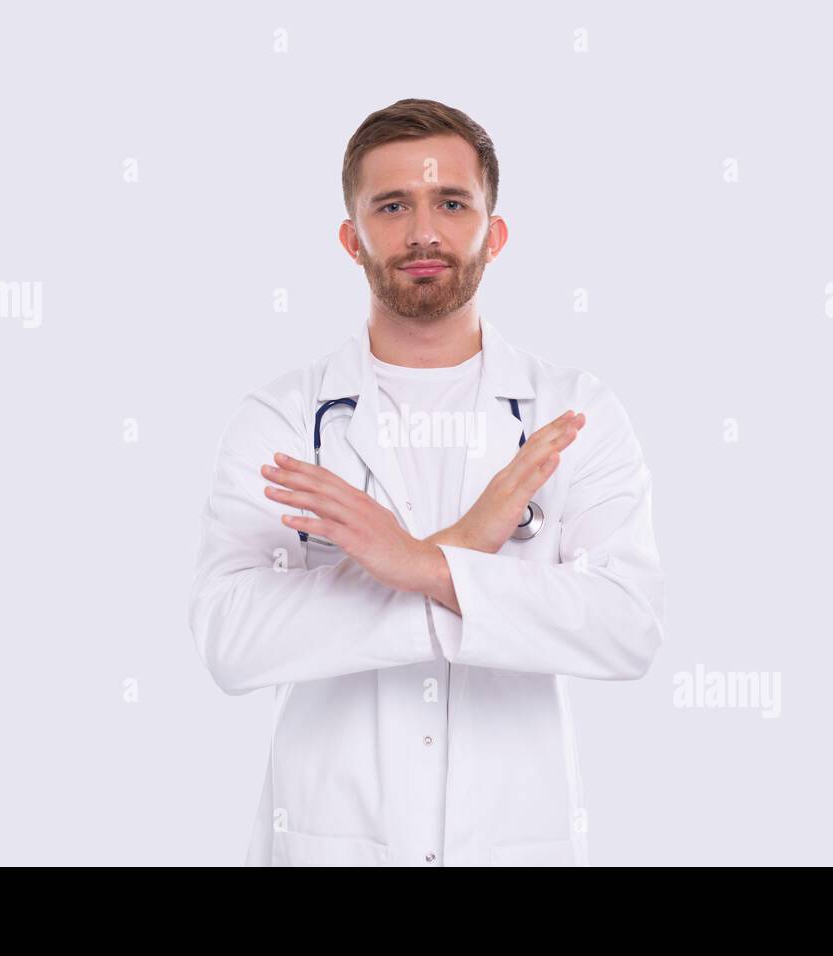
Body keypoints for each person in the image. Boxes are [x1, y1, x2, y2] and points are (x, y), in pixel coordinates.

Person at [187, 98, 665, 866]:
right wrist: (462, 558)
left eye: (451, 202)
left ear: (494, 232)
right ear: (351, 239)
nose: (423, 233)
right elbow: (231, 642)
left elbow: (627, 627)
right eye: (391, 206)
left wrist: (419, 564)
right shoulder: (280, 419)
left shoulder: (573, 412)